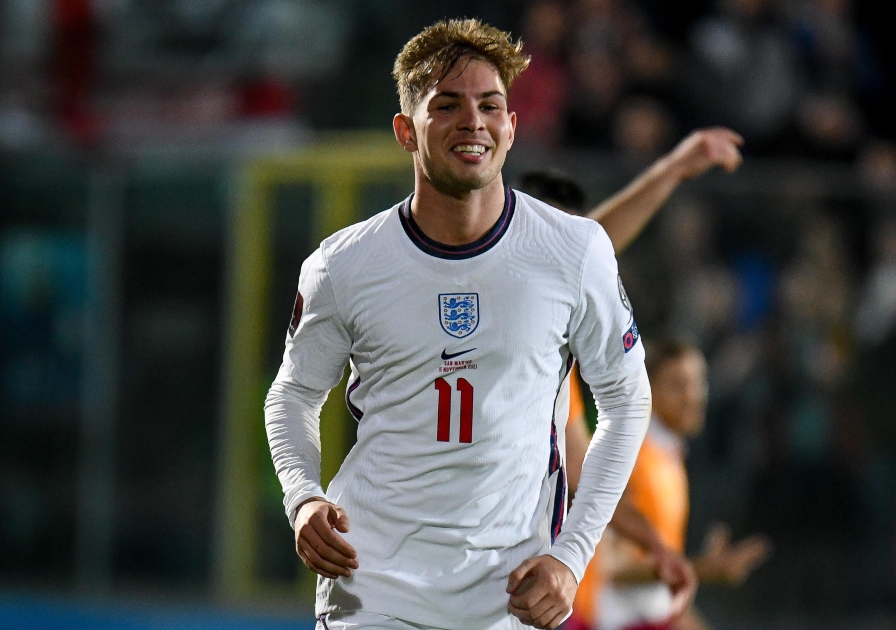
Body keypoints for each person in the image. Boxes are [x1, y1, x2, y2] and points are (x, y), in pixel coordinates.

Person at [264, 19, 651, 630]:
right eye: (446, 106)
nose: (473, 122)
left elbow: (627, 400)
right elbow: (293, 392)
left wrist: (570, 558)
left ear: (512, 127)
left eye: (490, 105)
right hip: (374, 588)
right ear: (406, 132)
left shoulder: (575, 251)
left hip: (512, 598)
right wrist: (303, 497)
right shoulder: (344, 265)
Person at [515, 127, 766, 630]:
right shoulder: (474, 316)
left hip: (538, 600)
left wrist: (661, 551)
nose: (695, 396)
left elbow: (588, 483)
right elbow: (617, 573)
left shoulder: (556, 371)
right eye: (681, 383)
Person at [594, 342, 770, 630]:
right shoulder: (631, 457)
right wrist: (702, 569)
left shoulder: (668, 456)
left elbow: (658, 598)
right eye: (678, 385)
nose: (694, 396)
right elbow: (612, 570)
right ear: (647, 389)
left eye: (699, 383)